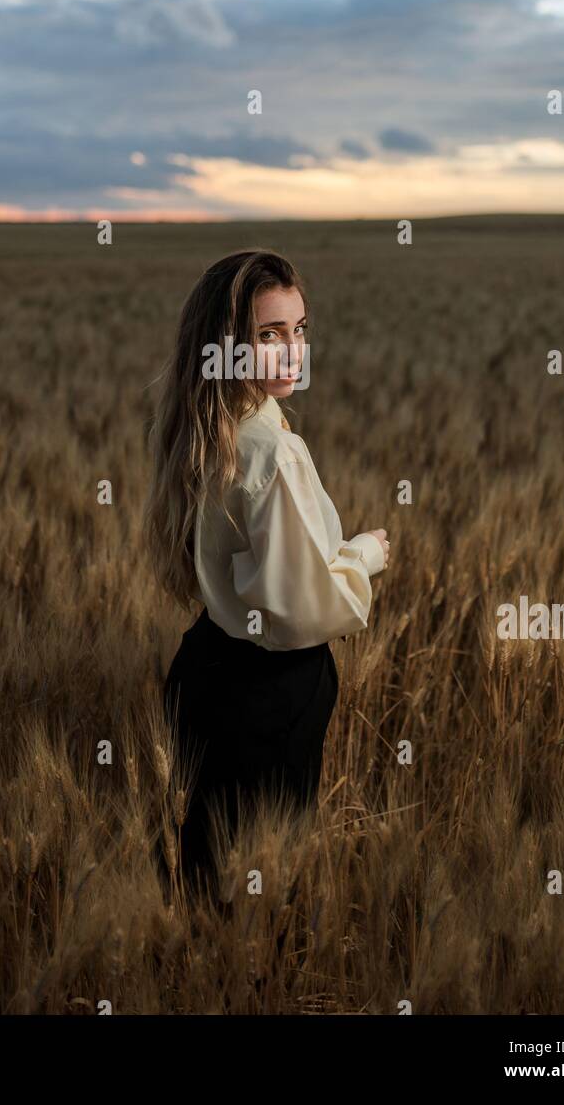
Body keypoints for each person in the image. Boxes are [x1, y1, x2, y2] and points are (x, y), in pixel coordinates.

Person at [143, 250, 389, 903]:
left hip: (204, 670)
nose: (292, 353)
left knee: (196, 884)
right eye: (269, 335)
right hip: (269, 694)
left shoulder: (202, 424)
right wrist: (362, 554)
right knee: (258, 902)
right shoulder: (271, 449)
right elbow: (300, 607)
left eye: (300, 330)